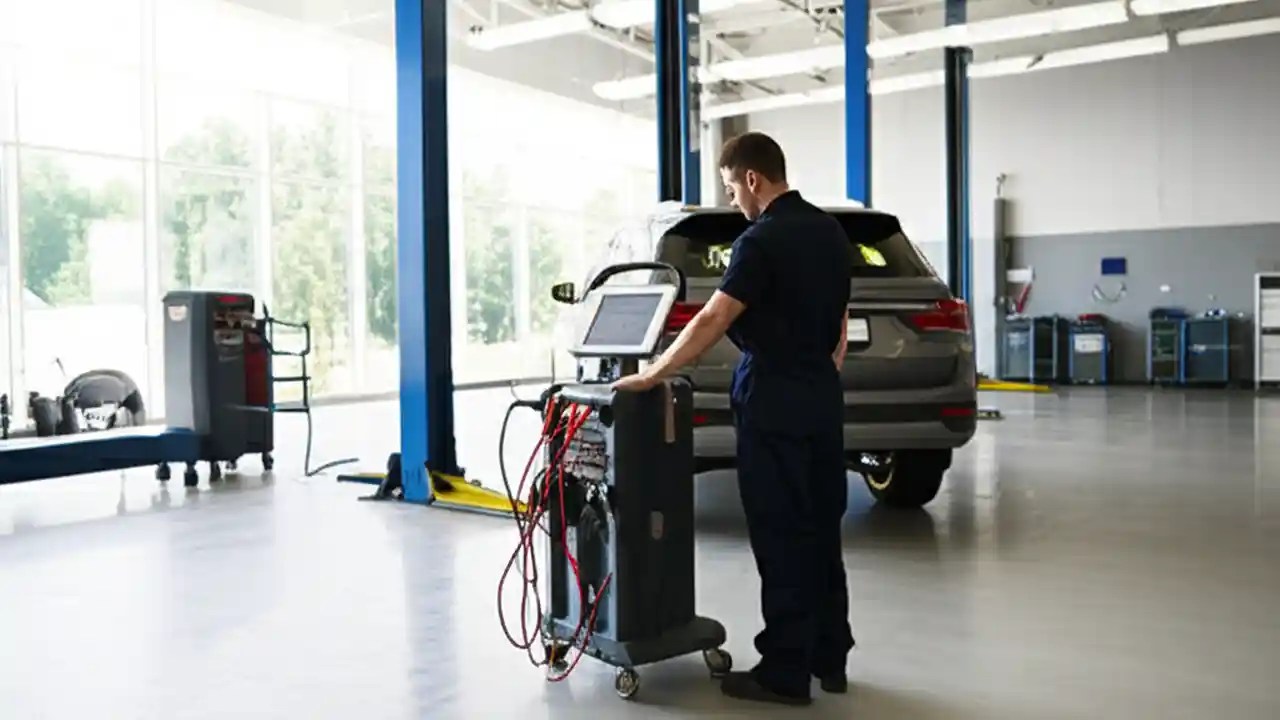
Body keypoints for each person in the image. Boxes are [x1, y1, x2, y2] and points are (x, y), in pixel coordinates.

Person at [612, 131, 855, 705]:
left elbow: (713, 320)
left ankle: (784, 671)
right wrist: (821, 371)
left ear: (752, 178)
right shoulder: (830, 232)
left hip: (774, 397)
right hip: (822, 395)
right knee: (821, 528)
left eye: (730, 188)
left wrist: (651, 374)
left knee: (780, 531)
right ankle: (830, 657)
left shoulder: (760, 240)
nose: (732, 202)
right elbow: (842, 321)